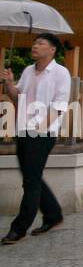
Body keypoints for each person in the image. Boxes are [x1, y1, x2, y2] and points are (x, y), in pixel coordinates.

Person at [1, 33, 72, 243]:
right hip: (23, 128)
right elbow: (18, 98)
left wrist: (39, 128)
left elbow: (59, 106)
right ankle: (53, 215)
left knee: (31, 181)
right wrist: (9, 84)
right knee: (32, 176)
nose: (35, 46)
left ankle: (19, 228)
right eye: (35, 42)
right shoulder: (28, 71)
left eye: (41, 43)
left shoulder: (61, 73)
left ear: (52, 50)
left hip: (43, 132)